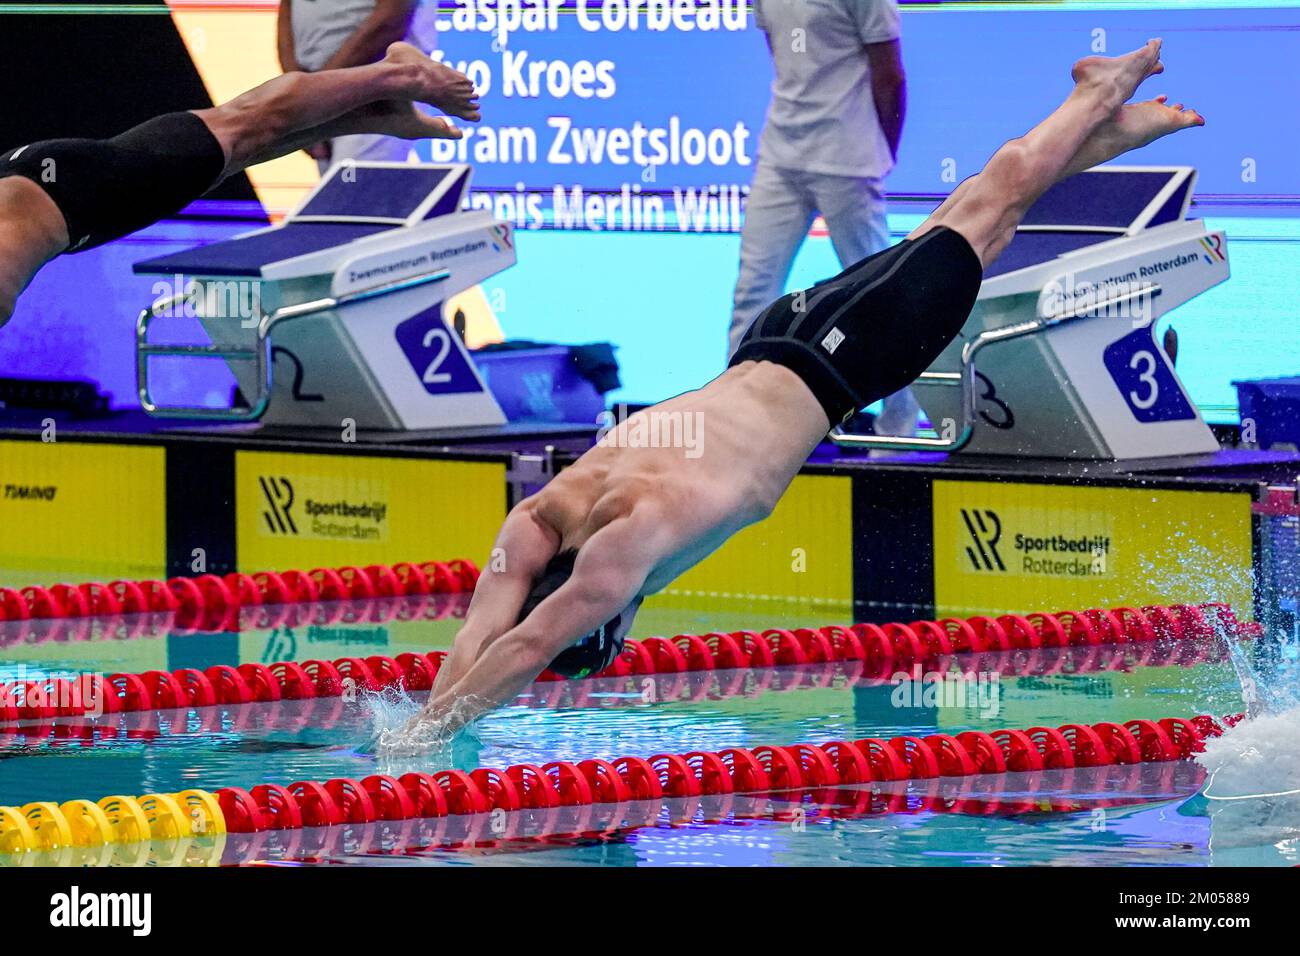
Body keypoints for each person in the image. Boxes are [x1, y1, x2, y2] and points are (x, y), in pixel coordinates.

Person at [390, 40, 1203, 751]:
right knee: (968, 218)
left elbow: (529, 644)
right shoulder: (545, 514)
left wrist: (424, 743)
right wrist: (428, 712)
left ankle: (1098, 90)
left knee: (991, 208)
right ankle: (1116, 131)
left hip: (842, 364)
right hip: (782, 336)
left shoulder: (625, 550)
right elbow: (484, 625)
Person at [0, 43, 478, 329]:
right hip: (65, 196)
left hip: (72, 192)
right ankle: (375, 113)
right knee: (237, 151)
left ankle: (398, 73)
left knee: (245, 125)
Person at [731, 0, 918, 438]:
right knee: (752, 291)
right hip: (780, 156)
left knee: (879, 296)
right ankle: (736, 427)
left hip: (847, 160)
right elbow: (785, 56)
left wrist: (880, 150)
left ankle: (901, 427)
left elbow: (890, 74)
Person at [277, 0, 439, 171]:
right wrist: (303, 95)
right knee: (337, 193)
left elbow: (390, 21)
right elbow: (288, 8)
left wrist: (315, 90)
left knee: (354, 192)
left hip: (376, 93)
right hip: (318, 94)